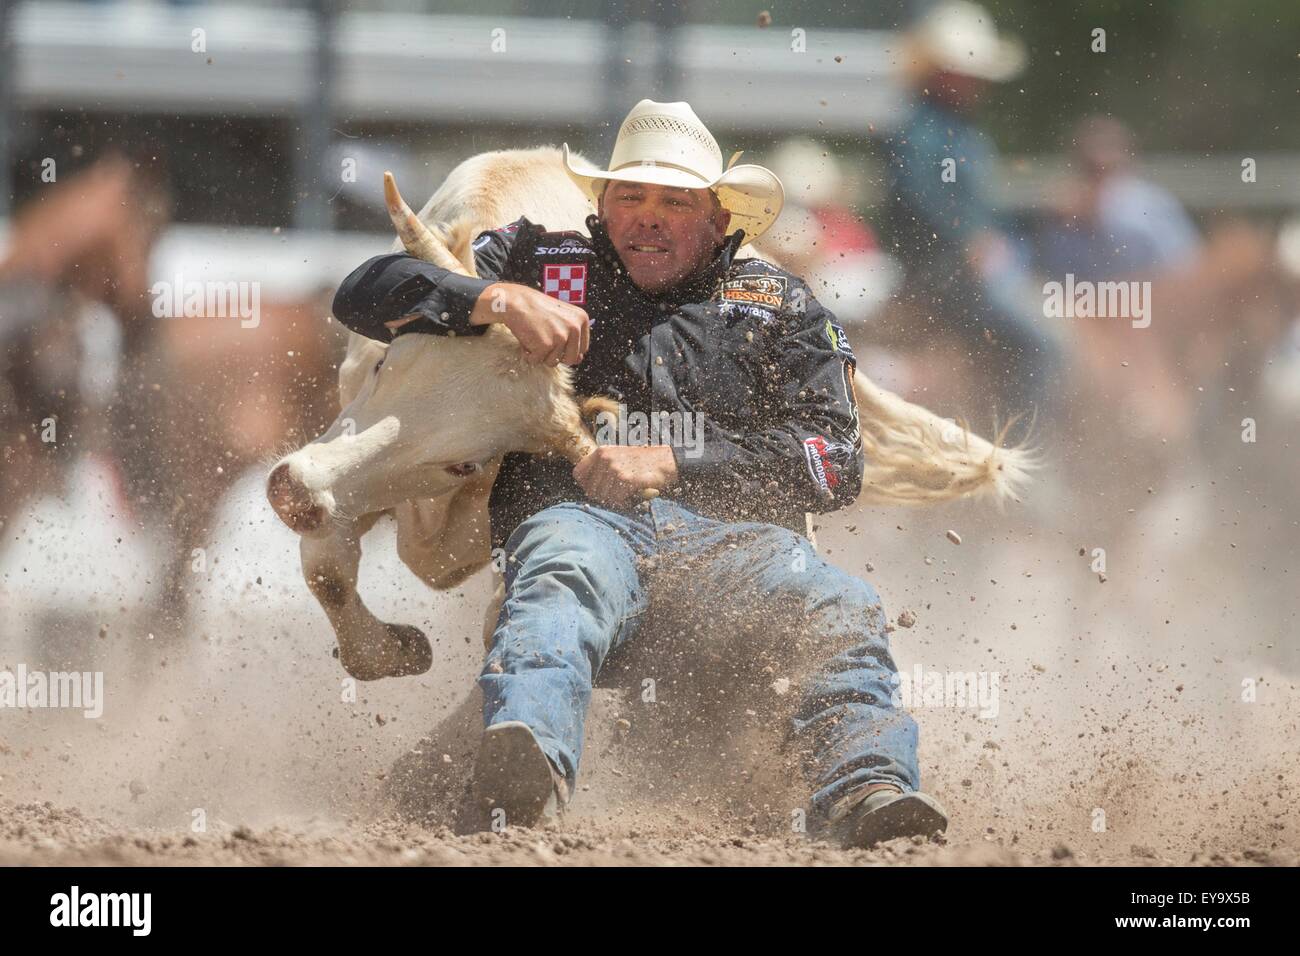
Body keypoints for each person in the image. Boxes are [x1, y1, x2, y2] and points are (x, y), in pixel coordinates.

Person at [331, 100, 948, 847]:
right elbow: (365, 290)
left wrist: (676, 461)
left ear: (718, 217)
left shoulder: (779, 302)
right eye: (631, 196)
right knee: (561, 572)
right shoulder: (537, 262)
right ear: (603, 204)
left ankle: (869, 792)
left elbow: (834, 460)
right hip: (577, 522)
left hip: (737, 553)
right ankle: (524, 768)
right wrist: (492, 297)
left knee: (841, 604)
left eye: (673, 201)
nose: (648, 217)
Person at [882, 1, 1060, 418]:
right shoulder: (920, 131)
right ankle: (1021, 450)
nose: (978, 82)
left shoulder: (951, 129)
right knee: (1044, 343)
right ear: (943, 72)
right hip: (946, 273)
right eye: (969, 71)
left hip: (967, 266)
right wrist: (969, 241)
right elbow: (919, 202)